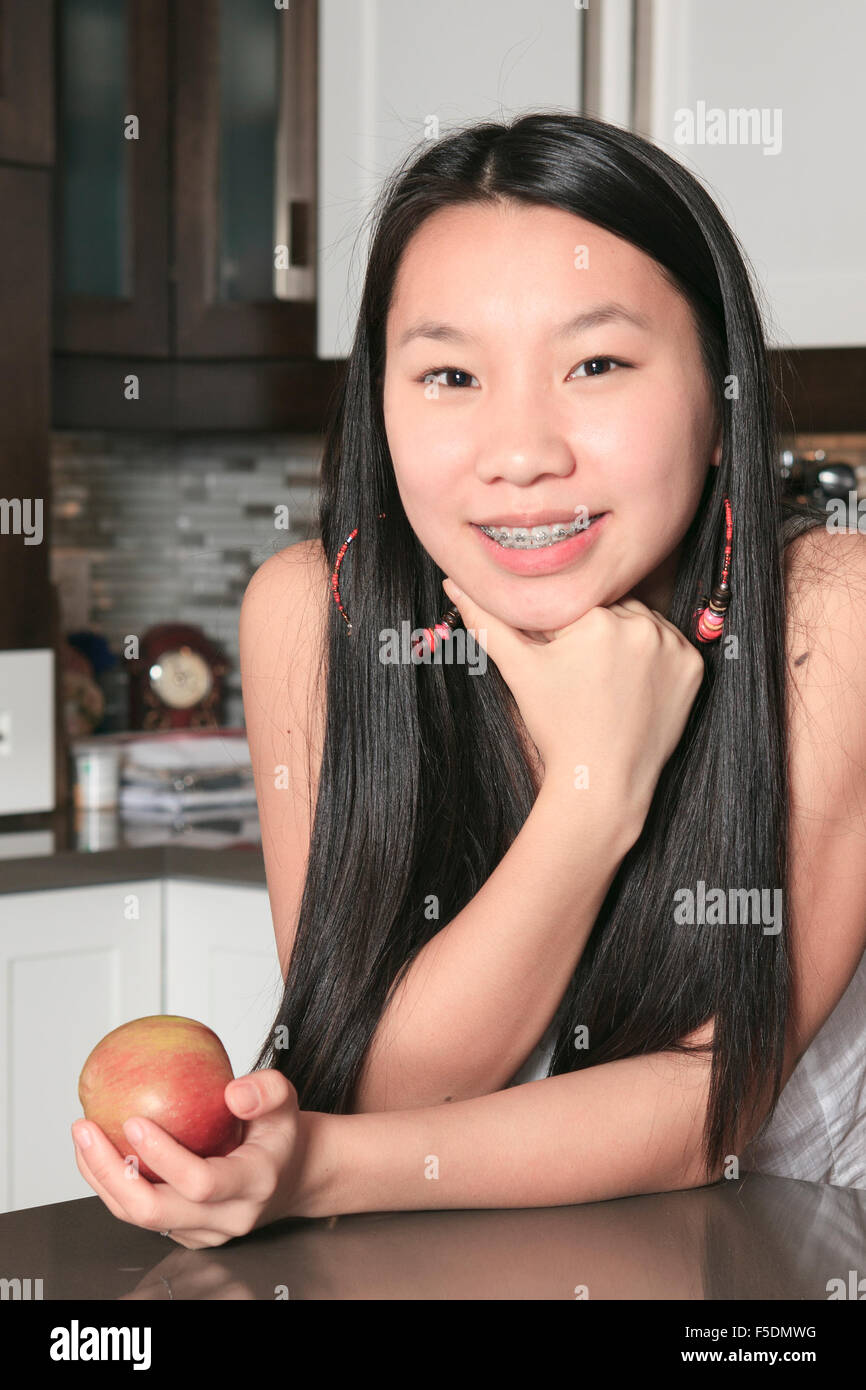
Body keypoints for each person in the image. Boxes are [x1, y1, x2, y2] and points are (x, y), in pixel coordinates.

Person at [72, 113, 866, 1249]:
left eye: (594, 364)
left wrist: (313, 1169)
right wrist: (591, 796)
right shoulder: (312, 614)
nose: (518, 450)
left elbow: (710, 1109)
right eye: (448, 373)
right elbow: (388, 1083)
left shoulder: (823, 616)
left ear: (714, 403)